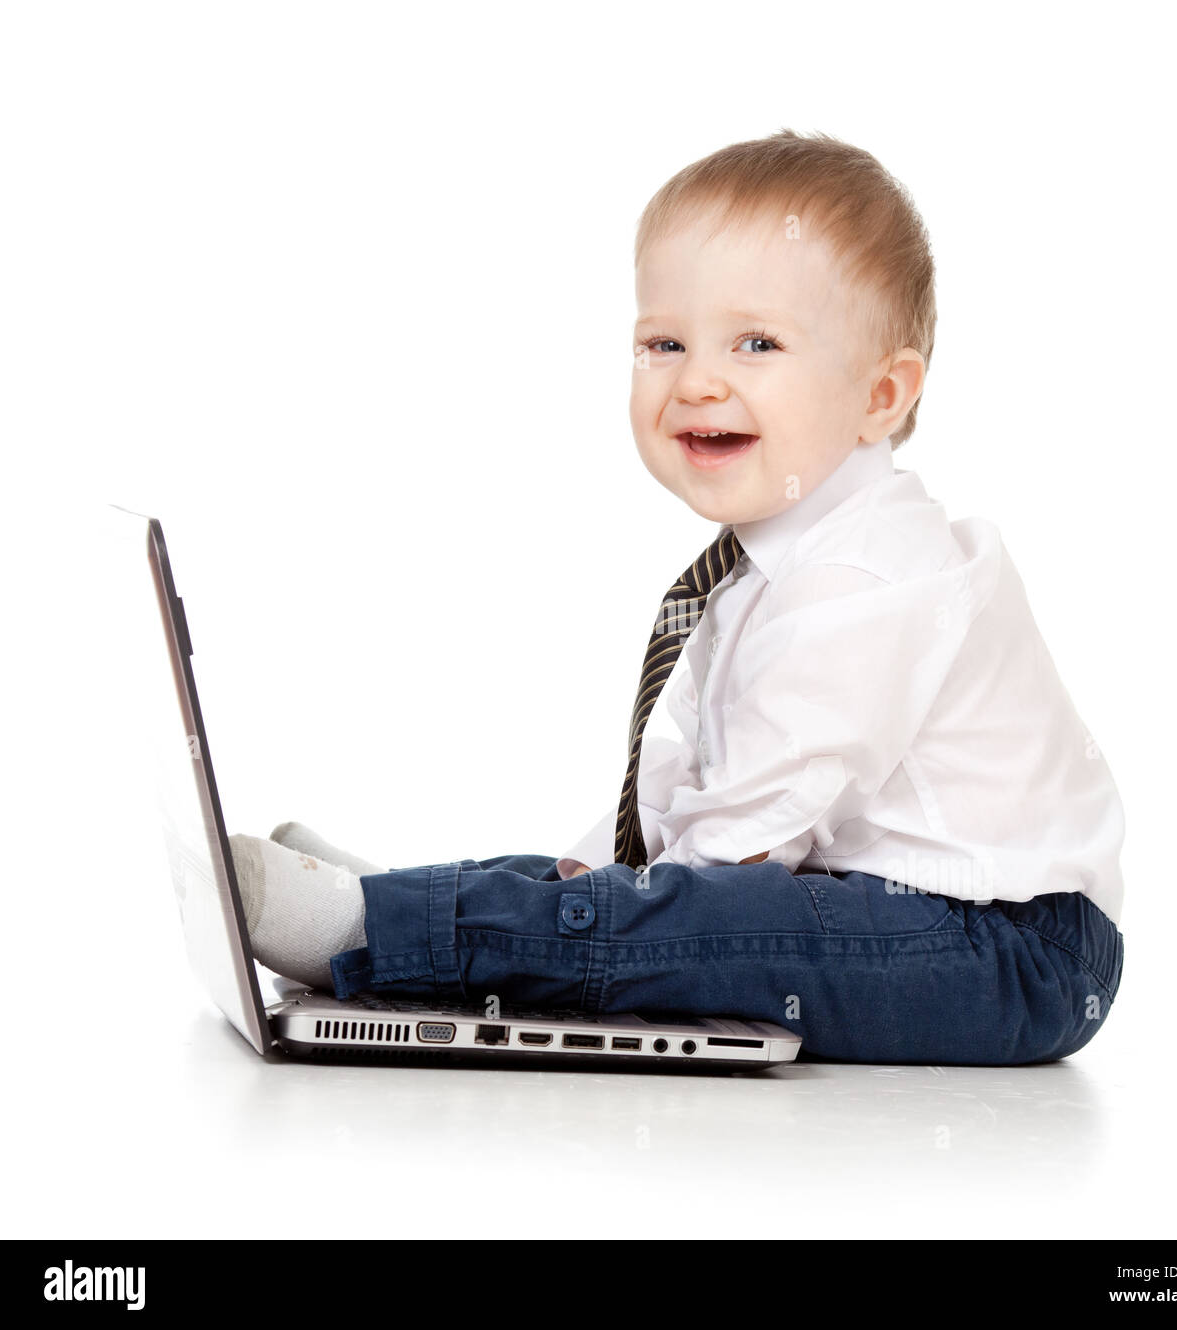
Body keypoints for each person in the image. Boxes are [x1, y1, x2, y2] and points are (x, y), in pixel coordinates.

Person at [229, 129, 1125, 1064]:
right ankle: (415, 914)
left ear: (881, 394)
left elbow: (739, 842)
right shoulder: (765, 567)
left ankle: (395, 937)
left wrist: (604, 918)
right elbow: (683, 792)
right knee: (639, 897)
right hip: (913, 912)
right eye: (665, 342)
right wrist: (580, 881)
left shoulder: (869, 577)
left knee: (684, 917)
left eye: (758, 343)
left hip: (1008, 950)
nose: (698, 379)